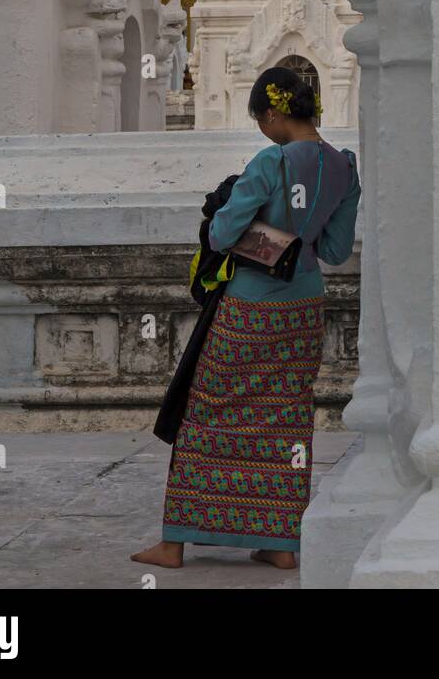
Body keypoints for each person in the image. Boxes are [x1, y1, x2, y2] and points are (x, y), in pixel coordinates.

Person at [130, 64, 360, 571]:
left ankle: (175, 542)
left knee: (209, 408)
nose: (261, 128)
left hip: (251, 304)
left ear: (275, 113)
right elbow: (337, 249)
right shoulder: (344, 166)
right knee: (285, 414)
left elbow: (221, 234)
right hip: (303, 306)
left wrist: (238, 214)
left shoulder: (270, 162)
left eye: (260, 118)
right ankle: (280, 543)